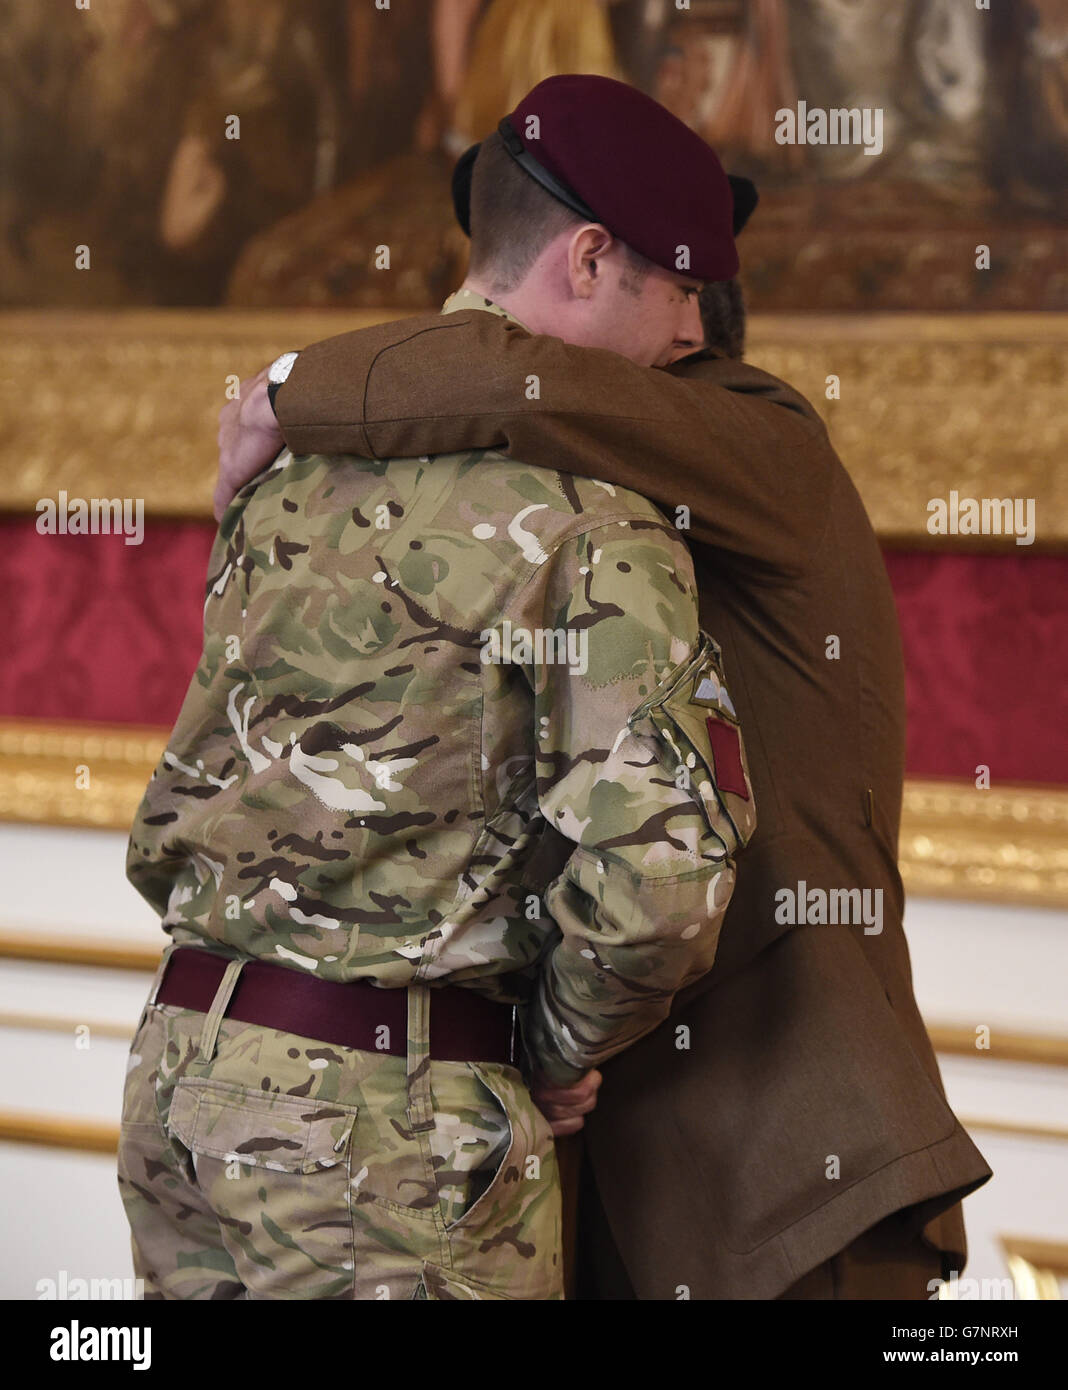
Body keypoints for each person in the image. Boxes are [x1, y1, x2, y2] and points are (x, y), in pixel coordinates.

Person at [216, 74, 993, 1299]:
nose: (685, 322)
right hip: (587, 1176)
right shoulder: (572, 461)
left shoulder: (754, 430)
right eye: (674, 281)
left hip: (782, 1176)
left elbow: (528, 381)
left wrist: (285, 390)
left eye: (694, 288)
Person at [119, 74, 756, 1300]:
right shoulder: (596, 513)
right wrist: (554, 1047)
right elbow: (664, 878)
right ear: (586, 258)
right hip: (385, 1138)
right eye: (680, 286)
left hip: (178, 1080)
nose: (692, 331)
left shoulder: (282, 462)